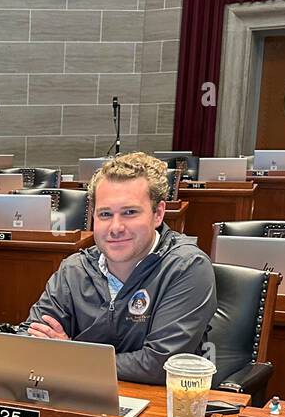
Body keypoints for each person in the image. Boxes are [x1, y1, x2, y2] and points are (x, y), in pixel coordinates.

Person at [25, 151, 216, 384]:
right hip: (79, 397)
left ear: (158, 214)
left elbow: (159, 365)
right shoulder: (74, 269)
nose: (115, 227)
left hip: (156, 410)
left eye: (129, 212)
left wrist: (71, 356)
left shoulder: (187, 268)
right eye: (105, 214)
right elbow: (32, 338)